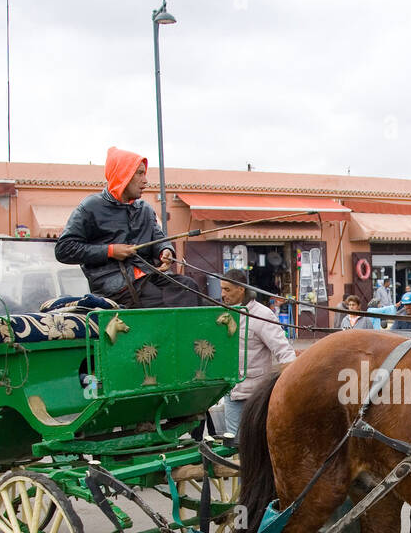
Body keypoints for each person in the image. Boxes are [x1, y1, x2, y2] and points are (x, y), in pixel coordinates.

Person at [55, 146, 200, 307]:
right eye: (139, 173)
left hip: (148, 275)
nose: (145, 180)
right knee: (162, 300)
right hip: (114, 285)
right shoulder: (91, 207)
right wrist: (110, 251)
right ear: (123, 175)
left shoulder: (144, 209)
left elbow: (158, 238)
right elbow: (64, 249)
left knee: (190, 288)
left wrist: (164, 251)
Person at [219, 270, 296, 435]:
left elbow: (285, 353)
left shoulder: (262, 315)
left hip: (255, 396)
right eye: (222, 289)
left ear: (241, 289)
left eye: (227, 290)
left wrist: (285, 391)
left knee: (257, 445)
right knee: (235, 445)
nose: (222, 294)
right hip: (231, 392)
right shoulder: (223, 312)